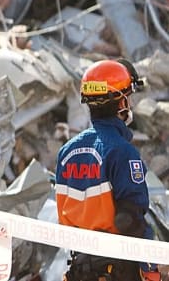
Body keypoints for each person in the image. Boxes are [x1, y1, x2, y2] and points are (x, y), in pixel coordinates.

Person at [55, 59, 159, 281]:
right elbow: (131, 218)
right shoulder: (122, 152)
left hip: (79, 267)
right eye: (129, 97)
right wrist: (149, 267)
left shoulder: (66, 151)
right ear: (122, 102)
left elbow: (64, 215)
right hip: (117, 268)